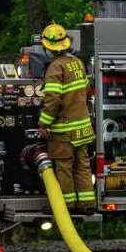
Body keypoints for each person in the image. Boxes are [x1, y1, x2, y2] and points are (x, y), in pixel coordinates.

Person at [38, 23, 95, 216]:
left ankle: (66, 206)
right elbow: (86, 90)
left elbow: (53, 99)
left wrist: (44, 123)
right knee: (83, 166)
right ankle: (87, 204)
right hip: (83, 127)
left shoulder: (55, 67)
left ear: (48, 47)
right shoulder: (77, 63)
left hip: (64, 129)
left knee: (63, 166)